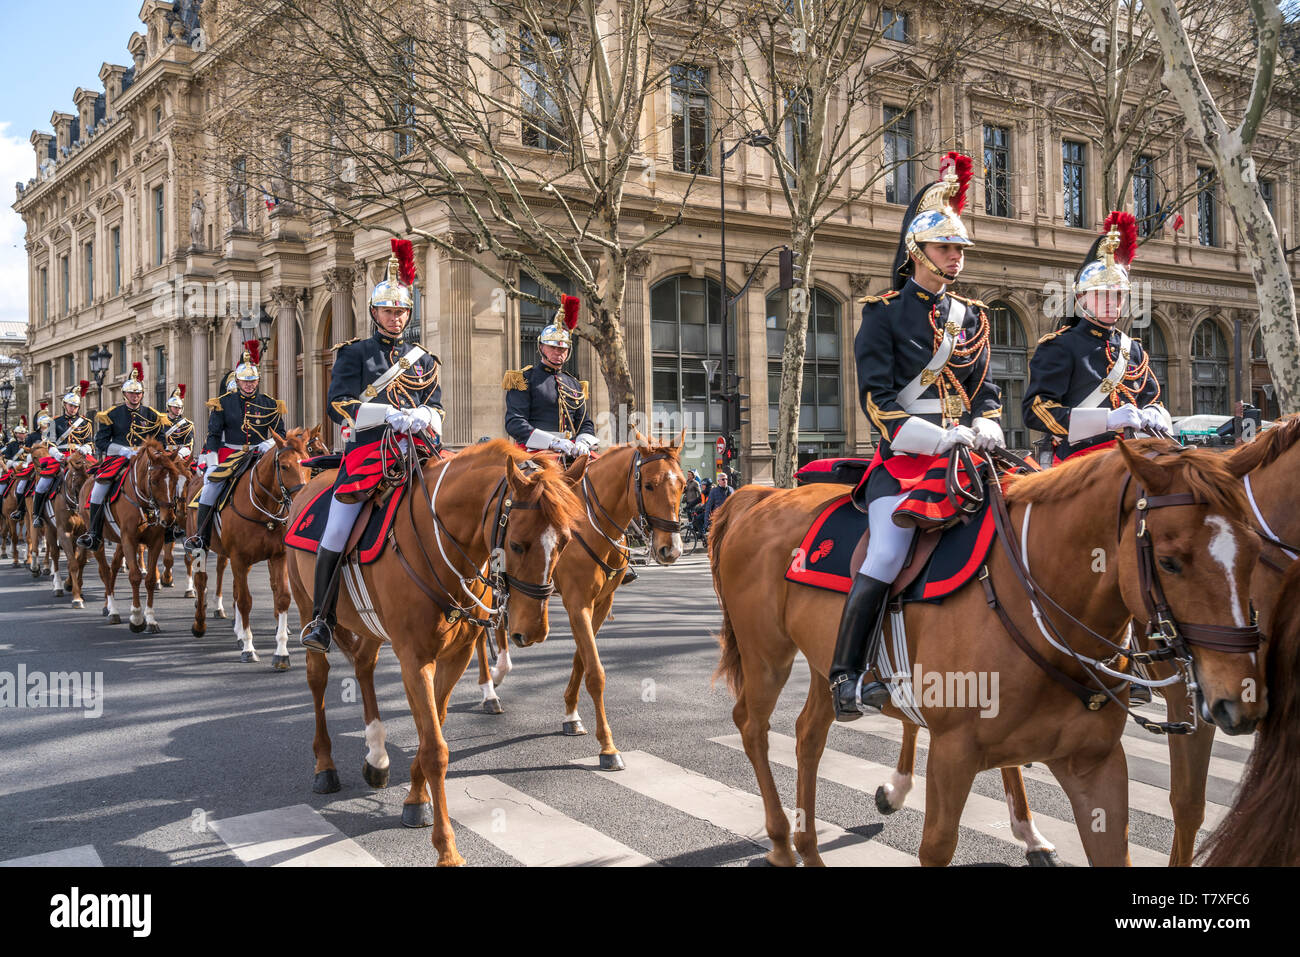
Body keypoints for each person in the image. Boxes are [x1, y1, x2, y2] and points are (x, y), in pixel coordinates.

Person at [830, 152, 1003, 722]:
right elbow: (877, 403)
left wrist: (986, 423)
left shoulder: (974, 317)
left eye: (960, 249)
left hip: (969, 459)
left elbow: (987, 390)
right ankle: (848, 675)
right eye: (946, 247)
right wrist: (939, 438)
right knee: (887, 549)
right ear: (917, 250)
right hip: (905, 463)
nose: (956, 257)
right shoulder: (882, 314)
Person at [300, 238, 443, 653]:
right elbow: (338, 405)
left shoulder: (425, 360)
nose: (395, 318)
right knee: (338, 529)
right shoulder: (355, 353)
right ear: (374, 312)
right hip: (369, 453)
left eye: (401, 311)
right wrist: (387, 415)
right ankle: (321, 619)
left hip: (418, 449)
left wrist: (423, 416)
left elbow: (438, 406)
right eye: (387, 310)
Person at [1023, 211, 1171, 463]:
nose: (1111, 302)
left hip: (1135, 453)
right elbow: (1037, 410)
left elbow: (1153, 398)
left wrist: (1156, 412)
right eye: (1101, 294)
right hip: (1083, 459)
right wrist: (1106, 420)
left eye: (1117, 295)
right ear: (1081, 298)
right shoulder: (1060, 346)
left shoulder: (1132, 350)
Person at [184, 347, 286, 556]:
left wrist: (268, 445)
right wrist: (212, 463)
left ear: (258, 381)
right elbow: (213, 436)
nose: (249, 385)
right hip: (230, 457)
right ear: (238, 381)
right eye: (245, 381)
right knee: (211, 487)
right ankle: (201, 538)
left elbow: (281, 434)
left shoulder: (269, 404)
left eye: (253, 381)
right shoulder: (223, 404)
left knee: (285, 484)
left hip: (261, 455)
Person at [76, 364, 165, 550]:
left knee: (167, 483)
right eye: (132, 393)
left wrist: (153, 453)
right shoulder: (112, 414)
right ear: (124, 394)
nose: (135, 396)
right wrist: (121, 450)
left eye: (138, 393)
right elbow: (100, 441)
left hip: (146, 460)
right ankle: (94, 532)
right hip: (119, 460)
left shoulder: (152, 415)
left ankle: (170, 527)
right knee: (100, 486)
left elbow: (162, 441)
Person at [27, 383, 93, 529]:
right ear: (64, 405)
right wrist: (57, 455)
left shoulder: (86, 423)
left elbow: (90, 443)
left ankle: (97, 515)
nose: (73, 408)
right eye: (70, 405)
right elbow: (50, 443)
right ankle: (37, 514)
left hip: (80, 457)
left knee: (97, 477)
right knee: (43, 483)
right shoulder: (54, 422)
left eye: (75, 406)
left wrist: (83, 450)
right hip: (61, 456)